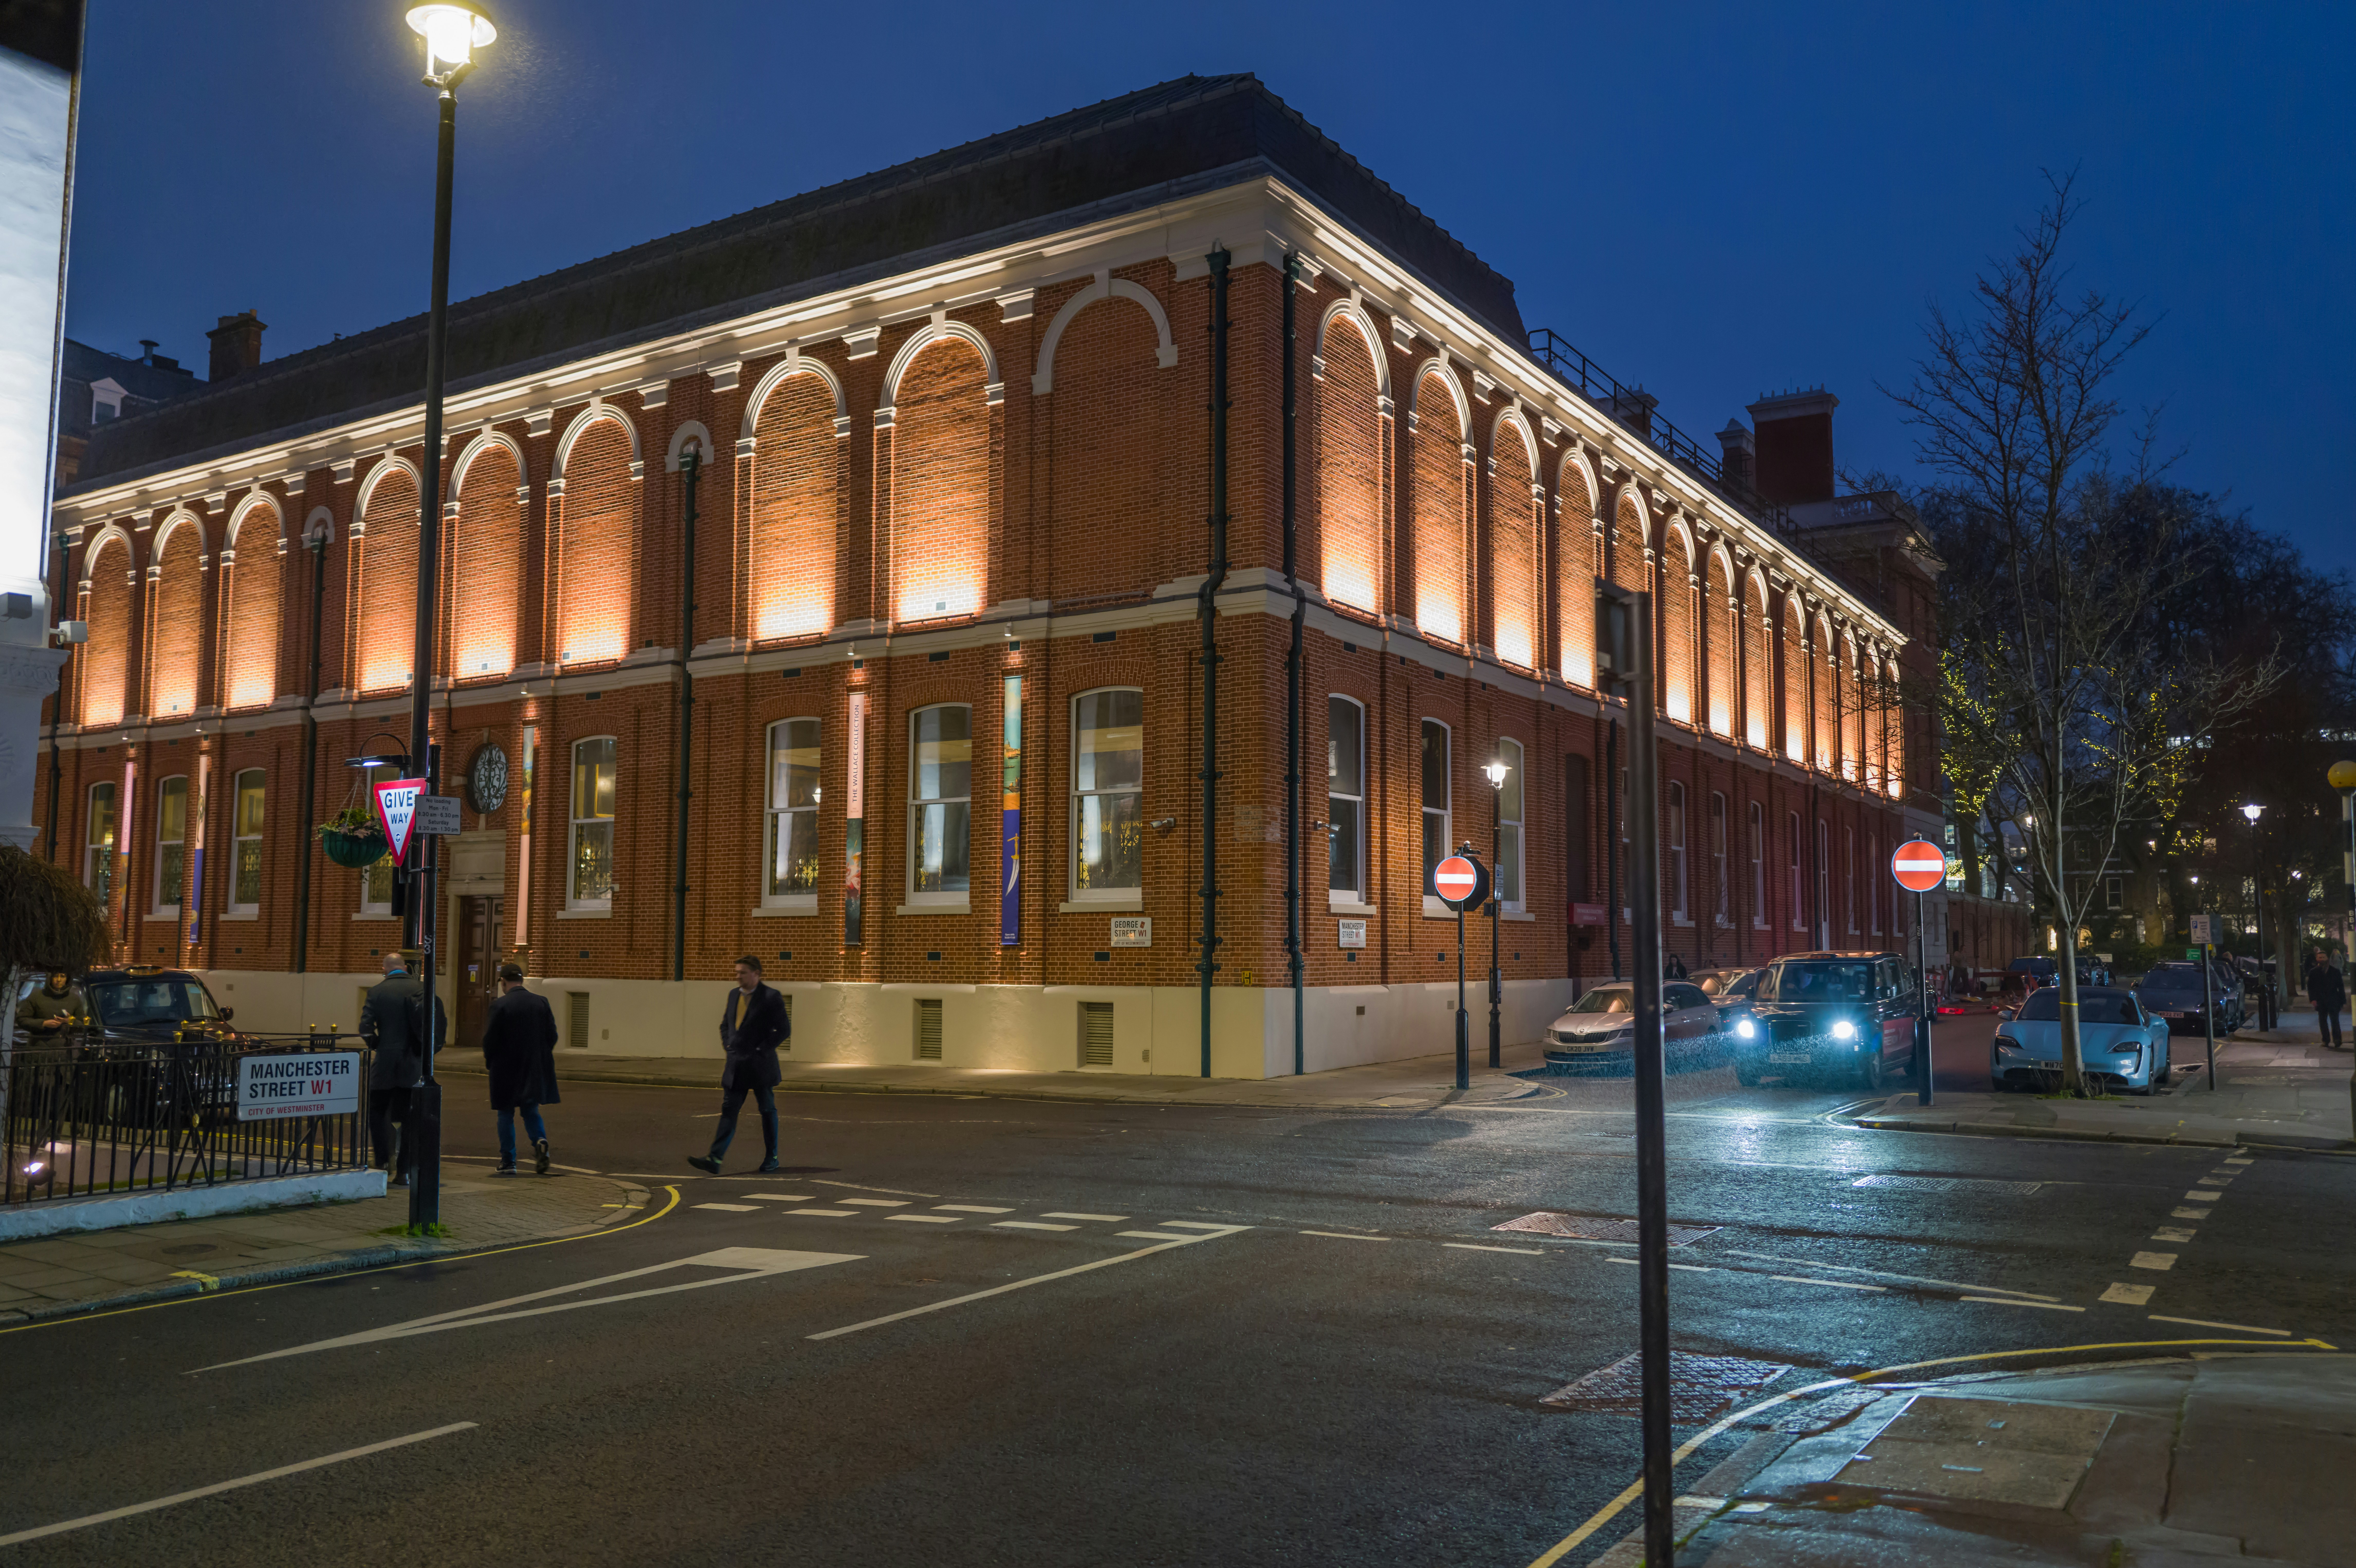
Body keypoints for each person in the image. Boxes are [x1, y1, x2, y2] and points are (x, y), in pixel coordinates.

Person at [688, 956, 789, 1175]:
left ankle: (772, 1157)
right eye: (737, 972)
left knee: (767, 1111)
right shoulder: (734, 995)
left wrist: (762, 1050)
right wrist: (728, 1044)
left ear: (756, 974)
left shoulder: (771, 997)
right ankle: (715, 1159)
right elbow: (726, 1025)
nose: (738, 977)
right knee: (729, 1112)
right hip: (736, 1067)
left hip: (761, 1066)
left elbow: (783, 1030)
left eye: (743, 972)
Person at [361, 951, 445, 1188]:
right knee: (411, 1119)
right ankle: (405, 1171)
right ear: (406, 968)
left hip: (385, 1065)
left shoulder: (376, 992)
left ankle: (383, 1160)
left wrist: (379, 1046)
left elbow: (365, 1027)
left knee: (377, 1111)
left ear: (385, 969)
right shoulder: (422, 990)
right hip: (414, 1063)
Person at [480, 963, 560, 1175]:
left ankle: (509, 1162)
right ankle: (540, 1141)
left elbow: (490, 1040)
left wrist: (491, 1061)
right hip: (533, 1068)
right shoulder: (541, 1002)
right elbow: (552, 1035)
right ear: (522, 980)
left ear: (504, 982)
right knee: (531, 1110)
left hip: (505, 1068)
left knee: (505, 1114)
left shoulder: (500, 1005)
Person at [15, 970, 84, 1034]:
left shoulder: (75, 999)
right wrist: (44, 1023)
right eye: (56, 976)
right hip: (39, 1044)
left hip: (65, 1045)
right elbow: (22, 1020)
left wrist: (70, 1021)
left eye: (63, 977)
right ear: (50, 978)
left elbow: (83, 1025)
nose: (59, 980)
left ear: (67, 979)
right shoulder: (36, 997)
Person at [2313, 955, 2348, 1051]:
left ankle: (2337, 1040)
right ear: (2317, 959)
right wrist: (2313, 999)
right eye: (2320, 957)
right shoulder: (2315, 972)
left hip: (2333, 1000)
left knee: (2335, 1021)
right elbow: (2311, 987)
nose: (2321, 960)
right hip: (2321, 1000)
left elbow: (2341, 987)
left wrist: (2342, 1001)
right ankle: (2326, 1040)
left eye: (2323, 957)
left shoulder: (2335, 972)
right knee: (2323, 1021)